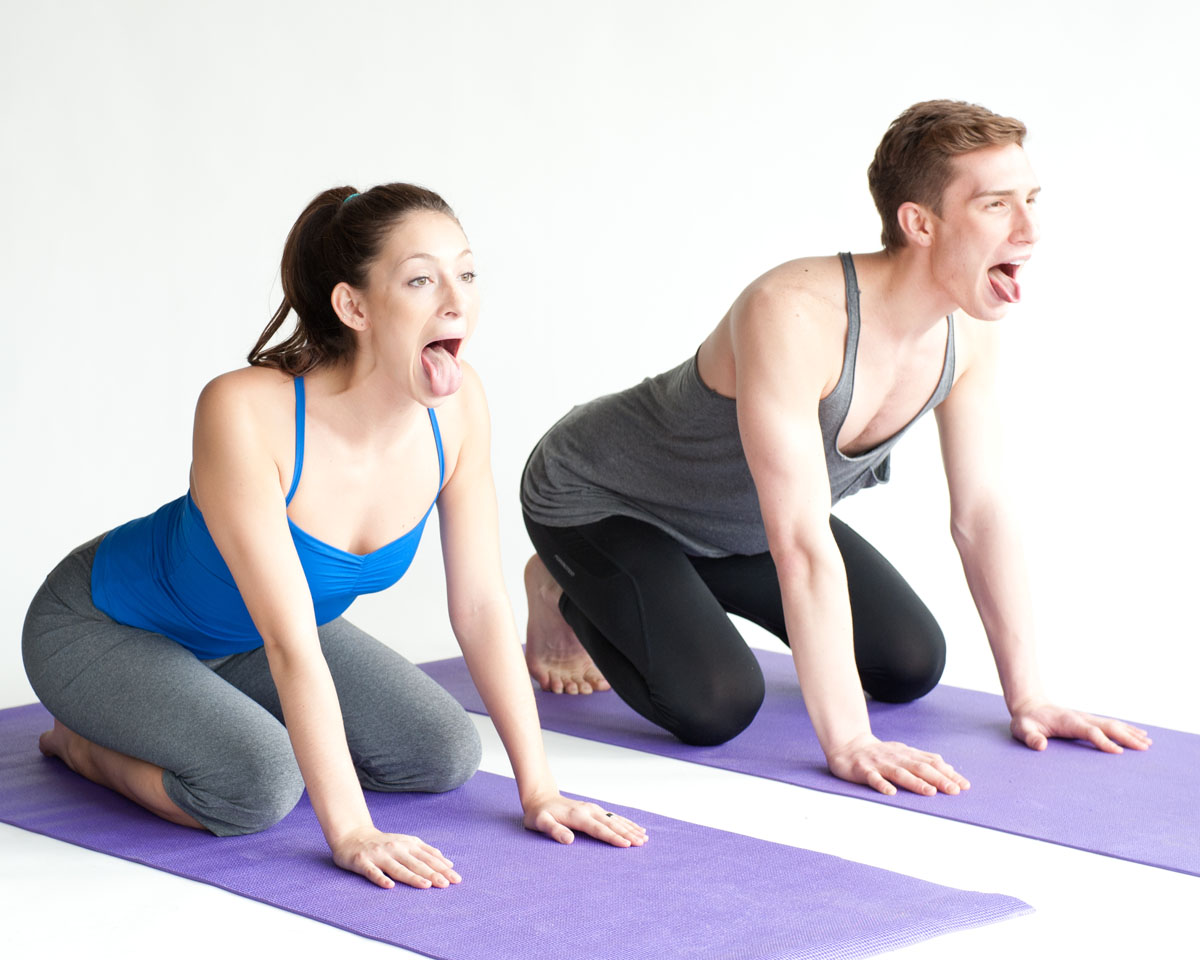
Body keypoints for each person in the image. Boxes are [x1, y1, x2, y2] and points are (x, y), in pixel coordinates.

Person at [22, 183, 645, 891]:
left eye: (466, 273)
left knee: (440, 753)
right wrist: (350, 831)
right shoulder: (244, 410)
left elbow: (479, 606)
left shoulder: (460, 403)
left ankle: (200, 709)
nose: (456, 300)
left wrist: (540, 791)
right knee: (255, 786)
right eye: (421, 279)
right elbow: (291, 643)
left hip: (244, 640)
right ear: (353, 306)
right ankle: (82, 745)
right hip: (107, 627)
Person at [520, 100, 1152, 798]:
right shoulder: (795, 312)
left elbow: (982, 512)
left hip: (739, 518)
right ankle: (560, 580)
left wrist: (1028, 697)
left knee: (908, 664)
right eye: (997, 205)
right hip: (605, 500)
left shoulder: (969, 332)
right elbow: (799, 538)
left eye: (1031, 199)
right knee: (715, 704)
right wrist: (848, 739)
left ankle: (669, 582)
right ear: (919, 222)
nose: (1030, 230)